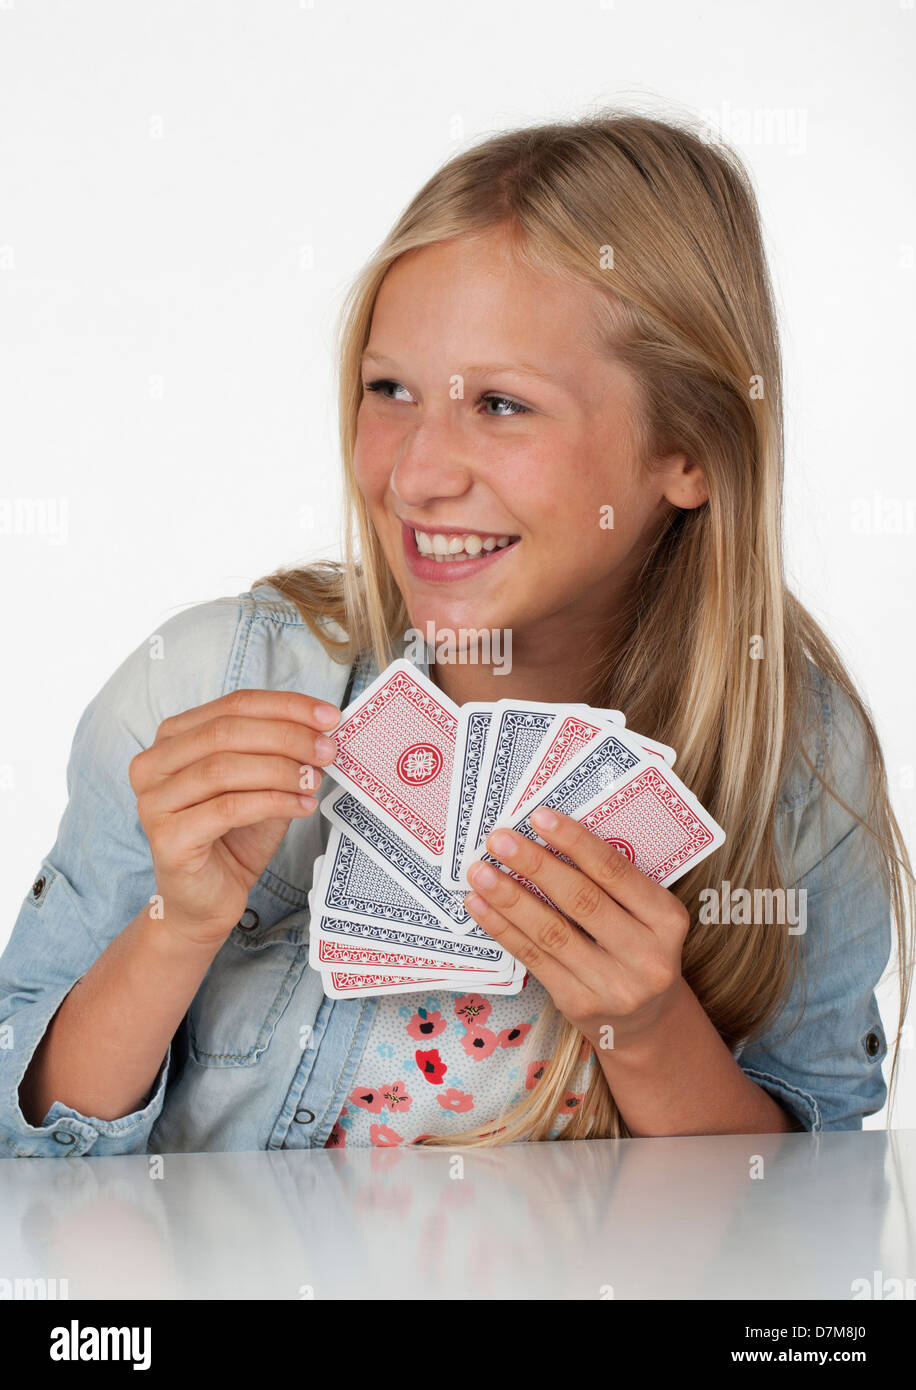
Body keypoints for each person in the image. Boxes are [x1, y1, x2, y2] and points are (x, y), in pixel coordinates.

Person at [1, 110, 911, 1156]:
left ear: (689, 453)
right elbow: (18, 1154)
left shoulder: (793, 758)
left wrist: (651, 1028)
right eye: (389, 389)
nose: (415, 472)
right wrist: (181, 924)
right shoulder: (206, 683)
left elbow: (821, 1205)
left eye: (500, 404)